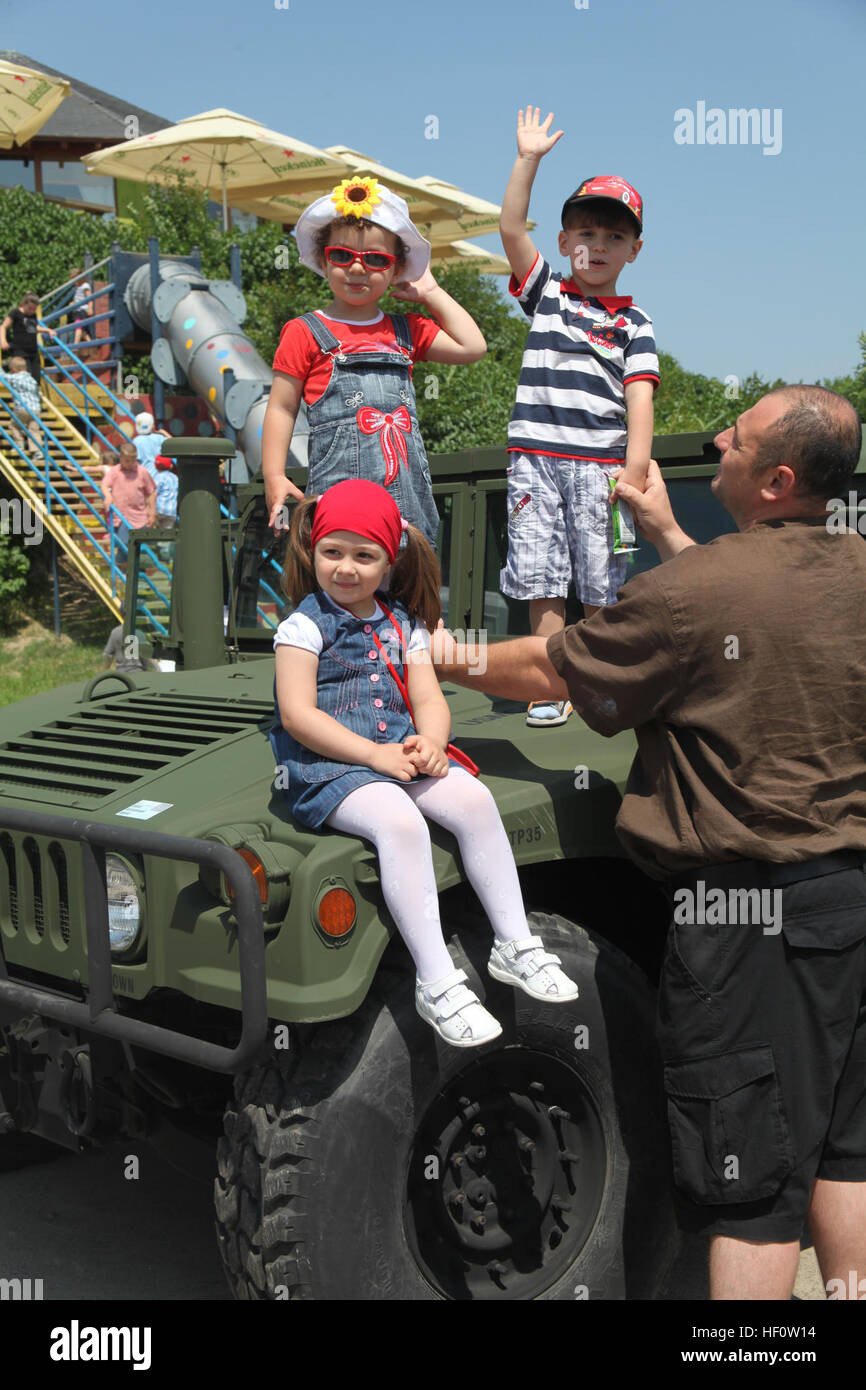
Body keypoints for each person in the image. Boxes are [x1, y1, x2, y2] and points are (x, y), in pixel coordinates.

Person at [432, 385, 866, 1300]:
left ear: (777, 477)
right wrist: (672, 534)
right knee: (844, 1146)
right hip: (851, 904)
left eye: (737, 438)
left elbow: (550, 666)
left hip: (752, 928)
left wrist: (431, 651)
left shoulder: (693, 595)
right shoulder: (850, 565)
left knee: (749, 1190)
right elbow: (753, 615)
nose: (717, 438)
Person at [271, 478, 578, 1047]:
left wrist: (433, 740)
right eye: (332, 552)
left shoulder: (402, 624)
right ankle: (436, 979)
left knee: (474, 800)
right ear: (312, 549)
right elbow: (297, 716)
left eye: (365, 556)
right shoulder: (303, 626)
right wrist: (372, 755)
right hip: (330, 765)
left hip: (399, 753)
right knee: (399, 822)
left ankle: (515, 942)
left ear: (390, 561)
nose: (346, 568)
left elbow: (428, 698)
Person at [499, 107, 658, 727]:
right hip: (534, 459)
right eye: (586, 234)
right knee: (541, 573)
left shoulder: (635, 322)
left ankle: (600, 681)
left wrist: (635, 468)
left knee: (601, 581)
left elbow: (639, 396)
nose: (598, 246)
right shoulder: (548, 294)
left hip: (600, 466)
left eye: (615, 237)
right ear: (564, 243)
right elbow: (511, 226)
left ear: (634, 250)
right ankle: (550, 680)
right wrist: (528, 159)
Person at [261, 177, 487, 547]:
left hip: (406, 502)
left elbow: (472, 346)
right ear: (323, 259)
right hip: (339, 500)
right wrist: (274, 475)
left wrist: (431, 292)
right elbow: (282, 408)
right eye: (342, 255)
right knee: (342, 586)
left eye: (376, 259)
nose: (357, 268)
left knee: (406, 586)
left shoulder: (407, 331)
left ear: (397, 270)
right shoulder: (304, 331)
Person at [101, 439, 156, 550]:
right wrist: (108, 495)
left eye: (133, 460)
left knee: (139, 548)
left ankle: (129, 566)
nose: (130, 464)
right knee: (125, 545)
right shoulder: (114, 471)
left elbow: (151, 492)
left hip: (139, 517)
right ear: (120, 457)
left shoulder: (142, 472)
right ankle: (122, 565)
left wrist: (152, 512)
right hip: (121, 517)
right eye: (127, 461)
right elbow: (104, 485)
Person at [0, 292, 47, 385]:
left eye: (34, 309)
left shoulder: (33, 315)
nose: (32, 311)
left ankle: (33, 398)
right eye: (30, 308)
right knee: (24, 378)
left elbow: (33, 327)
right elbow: (3, 326)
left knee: (36, 378)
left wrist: (47, 330)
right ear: (24, 304)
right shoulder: (15, 313)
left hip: (33, 351)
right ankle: (23, 398)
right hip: (21, 351)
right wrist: (3, 341)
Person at [0, 355, 43, 455]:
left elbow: (4, 377)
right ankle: (37, 451)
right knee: (34, 430)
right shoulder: (32, 379)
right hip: (36, 409)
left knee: (14, 425)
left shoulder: (16, 377)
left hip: (22, 408)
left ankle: (19, 444)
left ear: (14, 369)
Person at [131, 411, 169, 478]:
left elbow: (136, 462)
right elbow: (173, 442)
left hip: (144, 476)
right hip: (160, 475)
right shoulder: (160, 438)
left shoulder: (136, 441)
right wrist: (164, 433)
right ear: (152, 425)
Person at [68, 268, 93, 347]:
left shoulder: (85, 286)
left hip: (82, 310)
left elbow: (90, 298)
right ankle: (91, 344)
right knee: (82, 331)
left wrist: (90, 308)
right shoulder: (78, 287)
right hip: (77, 310)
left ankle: (75, 346)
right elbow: (79, 299)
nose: (74, 282)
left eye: (75, 280)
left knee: (78, 327)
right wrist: (73, 303)